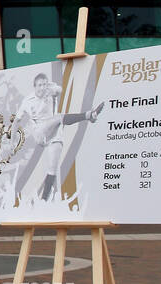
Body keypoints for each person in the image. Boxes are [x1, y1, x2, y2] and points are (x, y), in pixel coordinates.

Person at [14, 72, 105, 201]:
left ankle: (44, 200)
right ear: (34, 86)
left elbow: (58, 90)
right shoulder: (28, 101)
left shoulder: (51, 91)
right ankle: (88, 115)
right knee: (58, 117)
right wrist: (13, 135)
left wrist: (51, 88)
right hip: (40, 132)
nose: (42, 87)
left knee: (52, 169)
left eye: (44, 84)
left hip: (54, 132)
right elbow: (17, 119)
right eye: (39, 85)